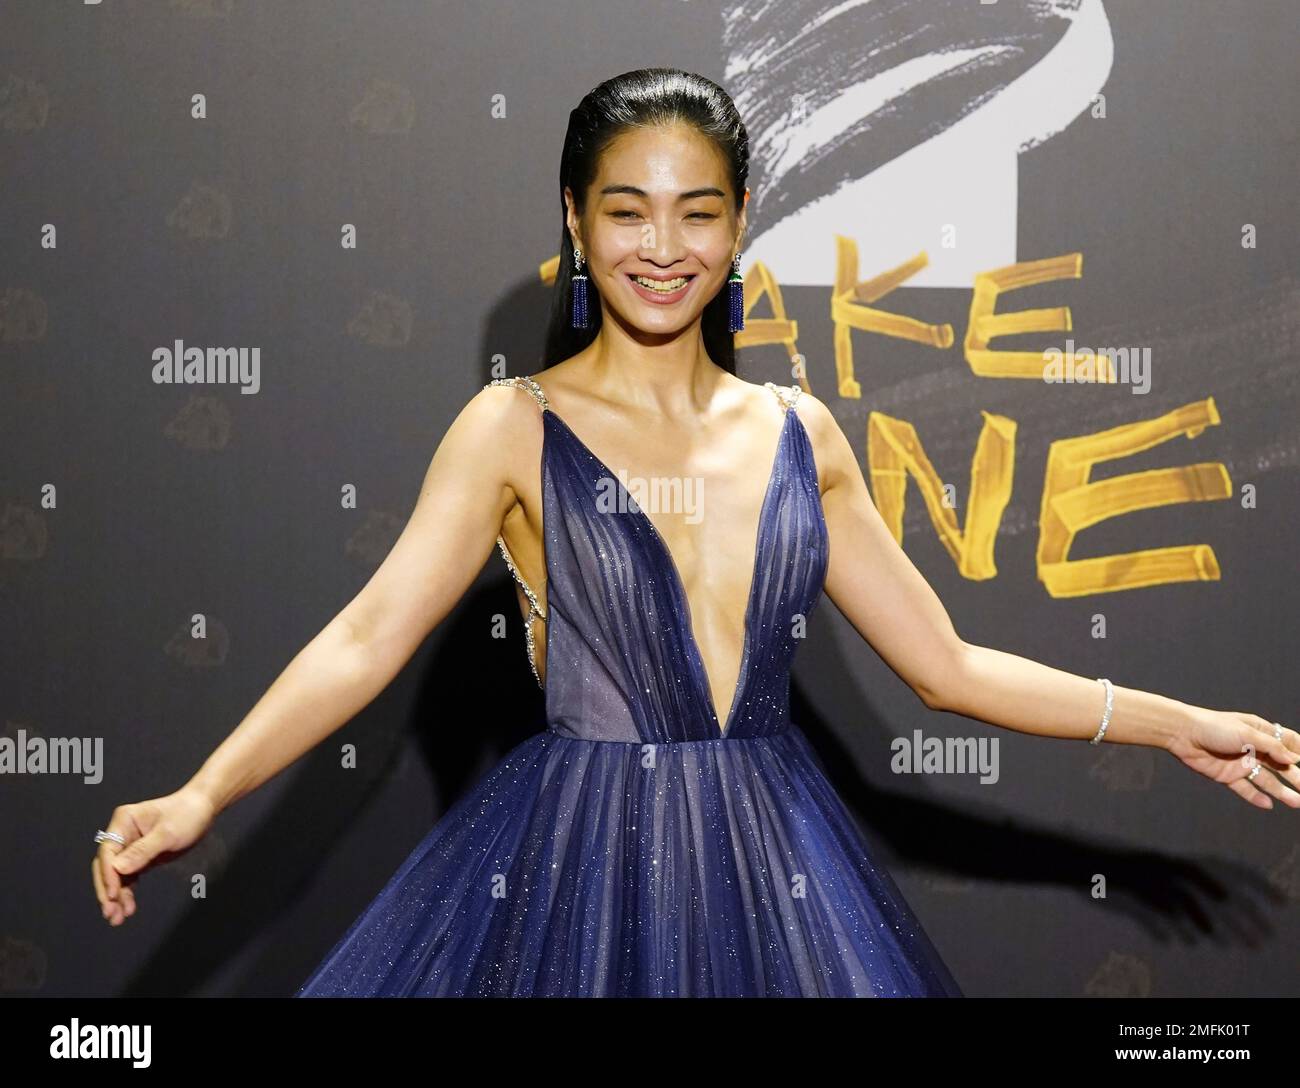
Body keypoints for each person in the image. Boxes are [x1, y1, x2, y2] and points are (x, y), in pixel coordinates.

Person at [91, 68, 1298, 997]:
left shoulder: (801, 433)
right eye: (626, 212)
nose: (662, 248)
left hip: (782, 877)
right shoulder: (512, 426)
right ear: (573, 216)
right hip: (575, 866)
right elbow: (367, 636)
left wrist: (1181, 723)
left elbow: (949, 668)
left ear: (740, 223)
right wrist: (204, 793)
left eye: (697, 213)